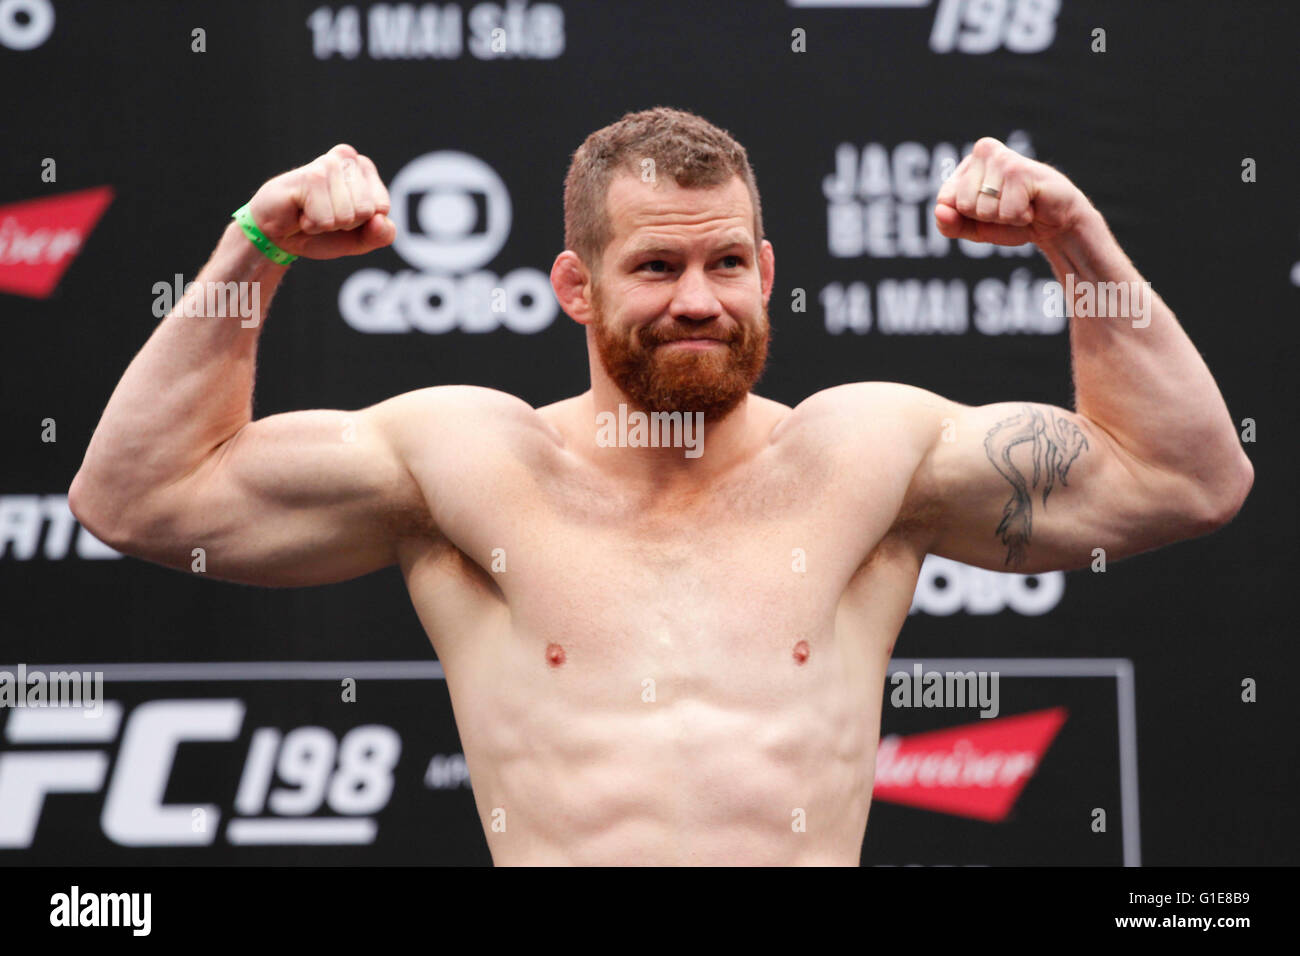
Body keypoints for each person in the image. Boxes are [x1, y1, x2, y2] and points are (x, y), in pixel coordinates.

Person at [69, 108, 1252, 865]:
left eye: (726, 260)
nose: (699, 297)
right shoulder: (466, 463)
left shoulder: (867, 457)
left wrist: (1075, 236)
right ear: (575, 287)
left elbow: (1185, 476)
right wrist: (258, 242)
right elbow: (140, 499)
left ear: (767, 269)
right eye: (656, 265)